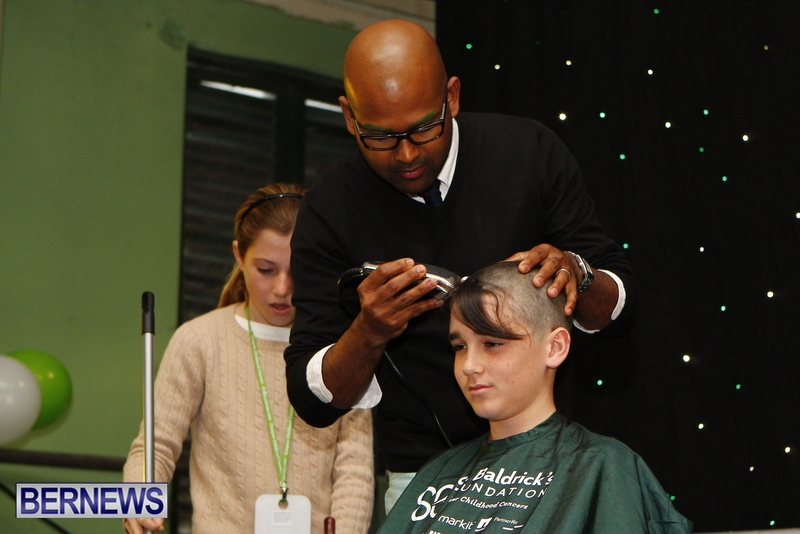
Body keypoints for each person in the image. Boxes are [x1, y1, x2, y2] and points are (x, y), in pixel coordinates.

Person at [285, 19, 636, 510]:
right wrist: (369, 330)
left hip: (546, 465)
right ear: (348, 117)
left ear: (451, 97)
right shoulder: (329, 210)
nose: (406, 154)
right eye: (380, 137)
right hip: (421, 478)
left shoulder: (528, 154)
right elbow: (310, 398)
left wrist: (576, 273)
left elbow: (619, 307)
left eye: (424, 128)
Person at [123, 183, 374, 534]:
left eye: (296, 269)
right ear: (239, 256)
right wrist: (139, 497)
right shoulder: (200, 340)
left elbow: (355, 472)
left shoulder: (344, 346)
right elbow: (155, 446)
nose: (282, 288)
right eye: (266, 270)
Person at [379, 261, 691, 533]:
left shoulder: (602, 466)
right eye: (460, 347)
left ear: (555, 347)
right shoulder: (440, 471)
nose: (469, 366)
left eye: (492, 343)